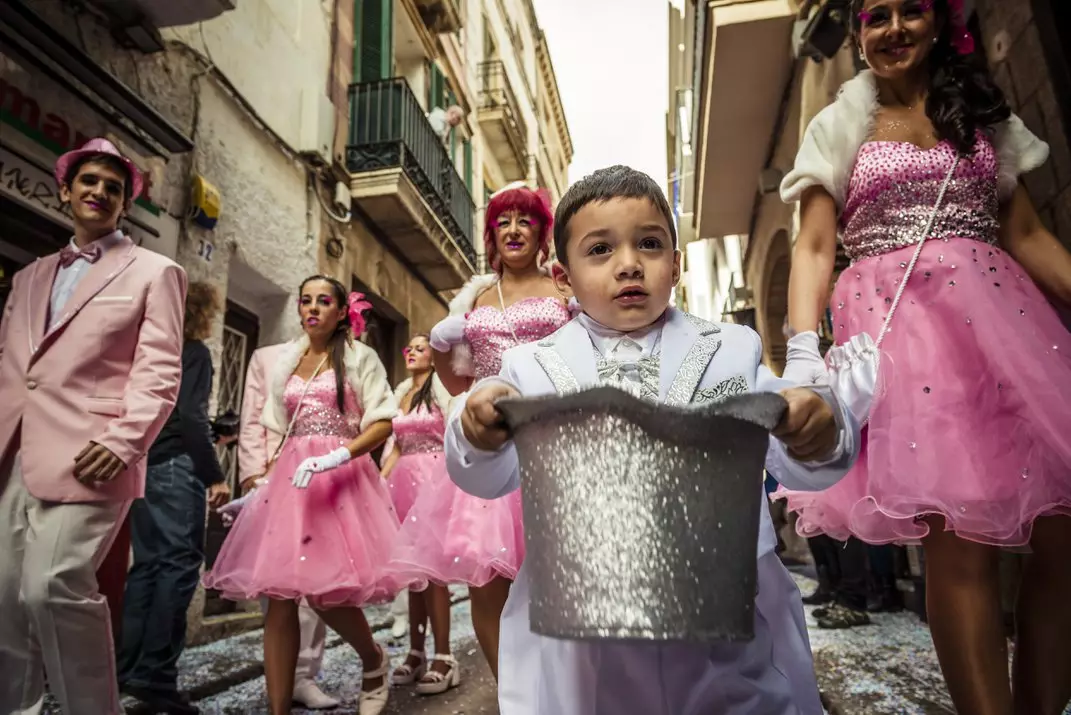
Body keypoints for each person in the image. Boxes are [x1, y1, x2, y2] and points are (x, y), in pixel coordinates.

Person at [447, 165, 862, 715]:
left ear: (677, 263)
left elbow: (798, 458)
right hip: (582, 638)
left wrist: (817, 428)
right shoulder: (528, 366)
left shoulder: (731, 348)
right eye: (600, 250)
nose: (628, 264)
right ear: (563, 278)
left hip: (724, 625)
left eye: (649, 244)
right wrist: (475, 430)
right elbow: (485, 474)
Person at [776, 1, 1071, 712]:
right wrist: (799, 350)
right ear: (857, 33)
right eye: (876, 16)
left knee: (1064, 538)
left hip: (1005, 332)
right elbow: (813, 245)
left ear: (940, 23)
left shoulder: (977, 112)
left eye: (911, 10)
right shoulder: (838, 122)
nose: (894, 28)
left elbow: (1024, 230)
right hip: (905, 338)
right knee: (959, 542)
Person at [0, 137, 186, 715]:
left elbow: (159, 372)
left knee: (53, 587)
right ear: (66, 192)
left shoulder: (156, 272)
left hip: (92, 454)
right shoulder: (28, 277)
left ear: (124, 204)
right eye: (89, 182)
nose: (100, 192)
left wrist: (124, 441)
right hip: (14, 454)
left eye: (113, 187)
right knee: (7, 600)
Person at [202, 277, 413, 715]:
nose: (313, 308)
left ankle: (374, 658)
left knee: (324, 594)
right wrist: (259, 483)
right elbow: (273, 426)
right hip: (291, 482)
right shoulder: (286, 362)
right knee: (279, 598)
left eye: (324, 301)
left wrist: (338, 454)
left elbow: (383, 422)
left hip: (339, 481)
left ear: (341, 313)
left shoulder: (361, 358)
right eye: (306, 300)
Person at [422, 182, 571, 679]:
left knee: (562, 576)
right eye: (502, 221)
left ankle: (561, 688)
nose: (513, 229)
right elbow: (458, 382)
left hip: (557, 441)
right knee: (488, 582)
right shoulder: (478, 297)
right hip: (494, 448)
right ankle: (513, 693)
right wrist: (442, 346)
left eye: (524, 220)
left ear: (541, 232)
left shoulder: (561, 285)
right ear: (490, 234)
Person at [117, 282, 231, 714]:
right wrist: (214, 474)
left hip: (142, 465)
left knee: (146, 568)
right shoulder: (194, 351)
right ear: (200, 312)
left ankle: (127, 673)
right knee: (179, 567)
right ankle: (157, 681)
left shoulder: (145, 349)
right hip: (176, 467)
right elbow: (189, 417)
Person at [217, 341, 340, 710]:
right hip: (272, 478)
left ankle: (304, 674)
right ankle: (280, 679)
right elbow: (253, 417)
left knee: (315, 579)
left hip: (319, 478)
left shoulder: (340, 358)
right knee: (276, 582)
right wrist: (253, 475)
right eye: (306, 303)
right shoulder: (266, 357)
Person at [380, 334, 459, 694]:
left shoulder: (442, 388)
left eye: (420, 347)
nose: (411, 351)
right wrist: (379, 483)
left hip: (434, 480)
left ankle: (444, 656)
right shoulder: (400, 395)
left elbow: (454, 435)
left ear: (435, 354)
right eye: (407, 346)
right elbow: (394, 447)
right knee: (413, 574)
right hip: (402, 483)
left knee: (433, 573)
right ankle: (416, 652)